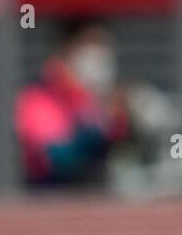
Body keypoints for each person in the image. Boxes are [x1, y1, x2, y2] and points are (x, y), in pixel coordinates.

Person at [16, 19, 129, 187]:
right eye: (89, 46)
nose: (98, 60)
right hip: (51, 204)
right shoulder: (38, 99)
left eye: (103, 47)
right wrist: (102, 128)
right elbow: (58, 159)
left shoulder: (106, 101)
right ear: (66, 51)